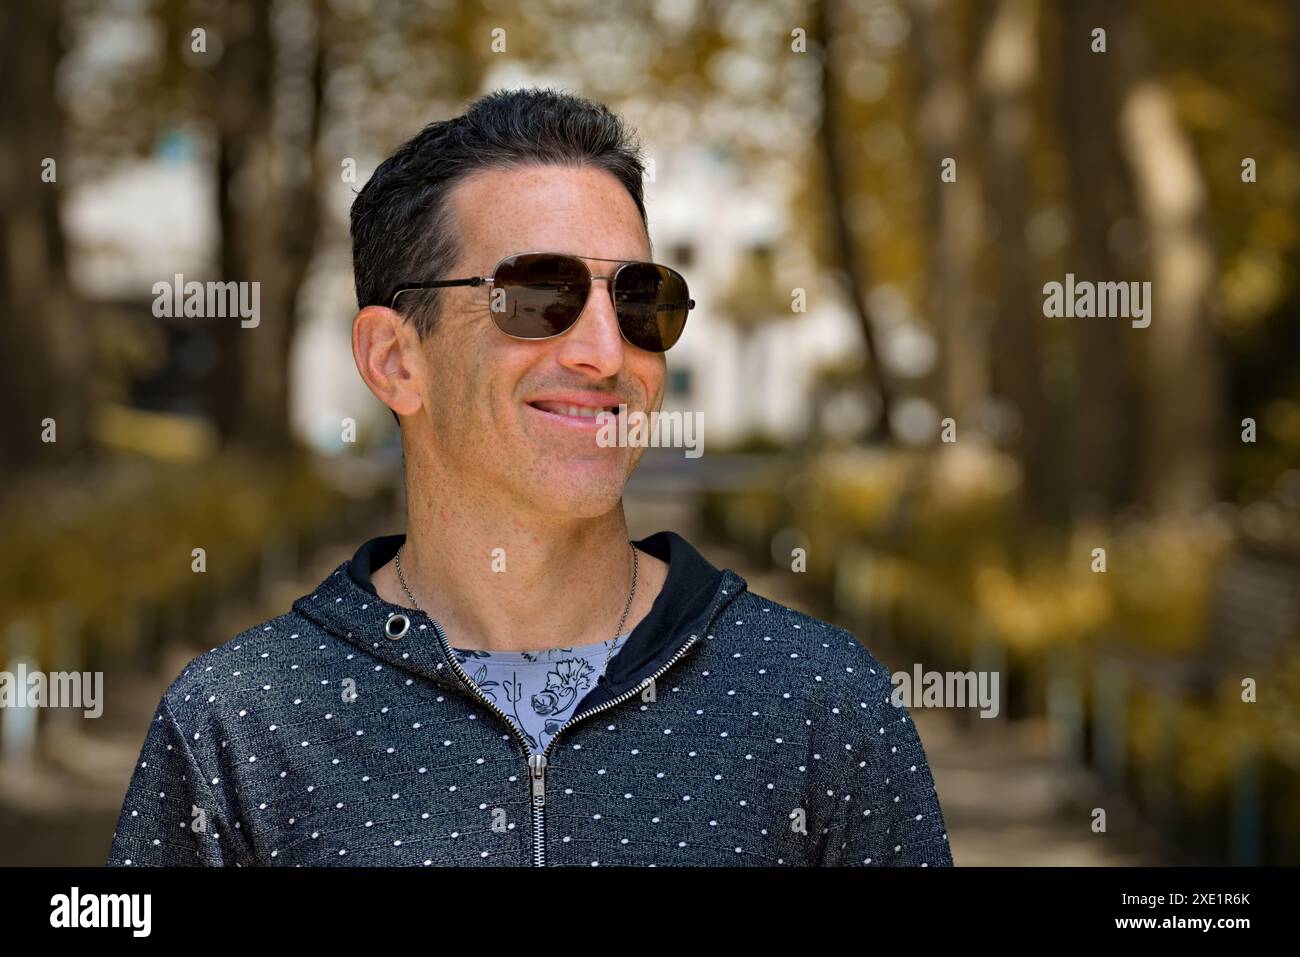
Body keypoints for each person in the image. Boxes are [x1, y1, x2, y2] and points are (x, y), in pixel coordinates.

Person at [106, 87, 952, 867]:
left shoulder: (822, 704)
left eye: (638, 298)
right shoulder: (240, 727)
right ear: (396, 360)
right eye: (538, 294)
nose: (604, 350)